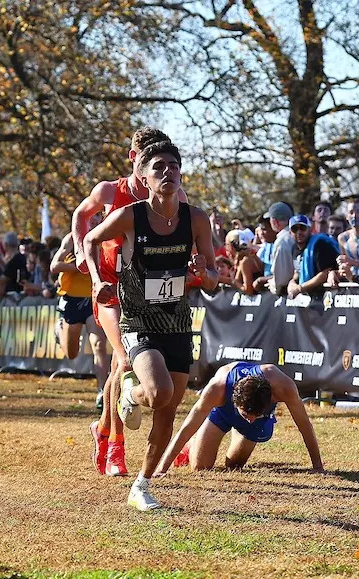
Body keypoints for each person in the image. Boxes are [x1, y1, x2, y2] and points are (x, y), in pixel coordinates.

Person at [83, 140, 218, 511]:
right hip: (139, 319)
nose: (167, 172)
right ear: (143, 177)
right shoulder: (131, 216)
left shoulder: (196, 219)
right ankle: (129, 394)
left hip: (177, 321)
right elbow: (91, 239)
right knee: (158, 393)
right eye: (158, 167)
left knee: (168, 408)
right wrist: (97, 279)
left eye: (173, 165)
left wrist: (203, 272)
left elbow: (212, 279)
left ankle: (141, 485)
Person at [73, 127, 185, 478]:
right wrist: (83, 255)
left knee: (124, 369)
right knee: (124, 360)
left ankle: (103, 431)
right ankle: (116, 448)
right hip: (111, 288)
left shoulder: (173, 193)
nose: (156, 166)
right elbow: (81, 216)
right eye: (145, 158)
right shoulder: (110, 190)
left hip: (147, 291)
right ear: (134, 158)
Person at [155, 362, 323, 474]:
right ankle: (193, 444)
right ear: (234, 401)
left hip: (257, 416)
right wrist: (162, 468)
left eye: (255, 415)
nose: (250, 419)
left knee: (234, 466)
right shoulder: (217, 389)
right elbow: (187, 427)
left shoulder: (283, 386)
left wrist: (317, 466)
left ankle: (245, 427)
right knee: (200, 467)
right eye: (246, 415)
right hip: (223, 412)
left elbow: (304, 425)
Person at [50, 228, 109, 409]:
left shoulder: (107, 235)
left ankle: (102, 392)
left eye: (98, 216)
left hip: (94, 298)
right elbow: (54, 266)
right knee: (72, 353)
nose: (95, 221)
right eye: (91, 217)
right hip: (72, 300)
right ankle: (59, 330)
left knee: (99, 344)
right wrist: (79, 267)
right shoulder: (71, 239)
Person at [286, 214, 340, 298]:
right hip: (308, 297)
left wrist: (300, 288)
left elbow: (326, 272)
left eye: (302, 228)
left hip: (327, 295)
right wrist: (292, 282)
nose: (299, 232)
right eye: (294, 229)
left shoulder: (320, 244)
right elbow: (298, 271)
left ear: (310, 229)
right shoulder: (294, 248)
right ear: (290, 232)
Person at [255, 201, 294, 295]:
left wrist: (271, 284)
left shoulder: (282, 241)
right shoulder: (297, 235)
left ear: (274, 222)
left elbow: (281, 281)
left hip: (288, 295)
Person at [337, 198, 359, 279]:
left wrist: (354, 262)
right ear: (347, 216)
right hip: (350, 283)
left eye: (358, 211)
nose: (354, 216)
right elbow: (343, 266)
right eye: (351, 212)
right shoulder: (343, 238)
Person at [224, 230, 263, 295]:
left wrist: (235, 282)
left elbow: (249, 290)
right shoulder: (242, 259)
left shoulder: (246, 261)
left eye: (226, 245)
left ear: (231, 247)